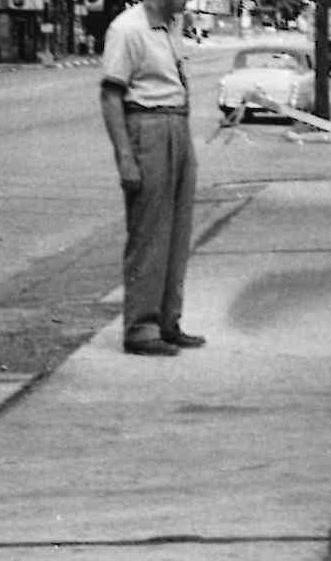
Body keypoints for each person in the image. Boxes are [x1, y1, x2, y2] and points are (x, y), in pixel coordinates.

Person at [100, 0, 205, 356]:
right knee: (149, 231)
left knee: (177, 231)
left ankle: (167, 322)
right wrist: (125, 158)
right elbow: (111, 95)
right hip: (146, 125)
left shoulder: (171, 27)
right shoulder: (128, 29)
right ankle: (141, 328)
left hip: (176, 124)